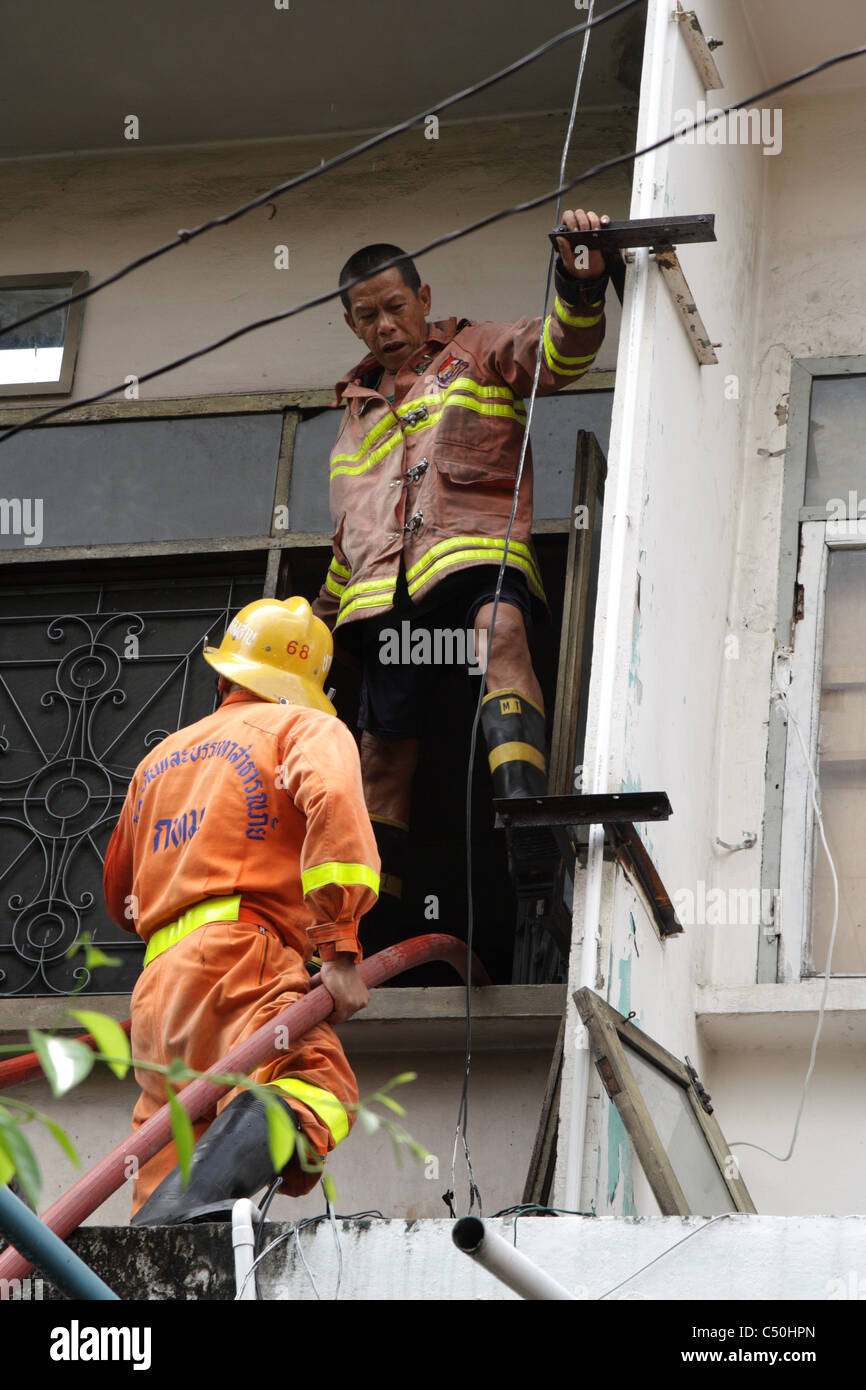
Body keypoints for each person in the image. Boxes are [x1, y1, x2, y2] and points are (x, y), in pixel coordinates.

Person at [312, 210, 610, 944]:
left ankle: (522, 823)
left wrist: (583, 284)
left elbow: (560, 357)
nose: (384, 325)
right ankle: (364, 929)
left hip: (475, 557)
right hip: (389, 601)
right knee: (382, 753)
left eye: (394, 307)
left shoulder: (477, 350)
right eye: (367, 316)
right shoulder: (353, 418)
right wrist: (314, 625)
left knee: (500, 634)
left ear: (423, 297)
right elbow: (346, 542)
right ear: (353, 326)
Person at [102, 596, 379, 1224]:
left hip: (155, 989)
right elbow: (334, 804)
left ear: (226, 675)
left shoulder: (156, 760)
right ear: (304, 685)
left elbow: (121, 895)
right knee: (315, 1083)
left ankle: (159, 1253)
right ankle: (177, 1220)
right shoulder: (305, 729)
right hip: (238, 956)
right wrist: (338, 947)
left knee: (174, 1144)